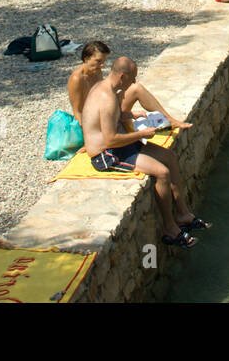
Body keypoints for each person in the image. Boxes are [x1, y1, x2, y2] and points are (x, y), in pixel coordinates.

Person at [80, 56, 206, 248]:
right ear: (122, 76)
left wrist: (129, 114)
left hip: (119, 145)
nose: (135, 83)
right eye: (133, 78)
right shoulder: (107, 97)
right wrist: (145, 133)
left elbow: (108, 117)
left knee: (169, 158)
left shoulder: (109, 89)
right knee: (162, 173)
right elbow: (110, 139)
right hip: (107, 154)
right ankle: (170, 229)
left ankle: (183, 214)